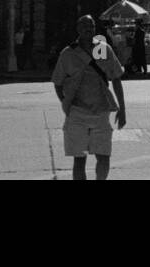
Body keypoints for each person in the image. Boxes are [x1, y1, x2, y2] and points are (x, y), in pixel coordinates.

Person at [52, 14, 126, 180]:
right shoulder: (68, 54)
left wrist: (123, 109)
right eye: (85, 26)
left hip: (101, 112)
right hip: (77, 114)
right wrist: (67, 105)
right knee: (80, 160)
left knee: (104, 157)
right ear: (78, 29)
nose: (89, 29)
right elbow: (58, 83)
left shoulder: (104, 49)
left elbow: (116, 78)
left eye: (92, 26)